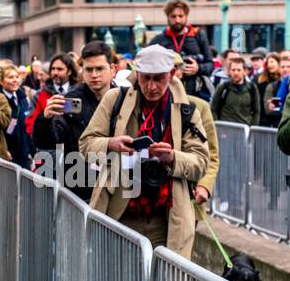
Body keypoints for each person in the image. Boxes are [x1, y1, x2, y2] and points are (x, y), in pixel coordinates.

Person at [79, 44, 210, 257]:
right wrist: (111, 144)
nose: (151, 86)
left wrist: (173, 158)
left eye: (158, 78)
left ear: (172, 74)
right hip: (119, 212)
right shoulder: (115, 100)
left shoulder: (188, 111)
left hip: (165, 218)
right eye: (145, 78)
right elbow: (86, 144)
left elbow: (202, 162)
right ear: (137, 74)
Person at [30, 40, 117, 201]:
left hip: (118, 185)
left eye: (100, 68)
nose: (94, 75)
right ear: (82, 71)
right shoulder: (70, 101)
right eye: (89, 69)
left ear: (112, 70)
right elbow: (47, 142)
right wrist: (46, 118)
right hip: (81, 188)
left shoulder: (125, 99)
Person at [175, 51, 220, 210]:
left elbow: (211, 155)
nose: (170, 75)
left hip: (189, 195)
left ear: (180, 72)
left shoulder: (199, 106)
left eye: (175, 69)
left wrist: (204, 185)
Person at [148, 0, 214, 100]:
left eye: (180, 16)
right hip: (167, 93)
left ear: (186, 16)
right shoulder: (159, 39)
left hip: (195, 91)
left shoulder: (199, 35)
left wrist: (198, 68)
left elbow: (211, 65)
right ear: (168, 17)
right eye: (173, 16)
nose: (177, 20)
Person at [26, 52, 76, 139]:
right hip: (49, 148)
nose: (55, 72)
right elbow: (30, 124)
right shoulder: (40, 94)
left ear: (69, 71)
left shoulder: (79, 92)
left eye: (60, 69)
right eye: (53, 69)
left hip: (75, 147)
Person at [0, 60, 32, 169]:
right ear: (1, 81)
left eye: (17, 77)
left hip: (24, 154)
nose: (15, 80)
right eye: (10, 77)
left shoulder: (23, 98)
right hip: (8, 156)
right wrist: (3, 150)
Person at [210, 53, 260, 126]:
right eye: (233, 70)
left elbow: (256, 111)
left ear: (244, 71)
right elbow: (213, 108)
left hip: (245, 129)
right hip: (226, 129)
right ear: (229, 71)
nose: (236, 73)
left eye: (239, 70)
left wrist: (253, 128)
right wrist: (218, 125)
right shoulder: (223, 87)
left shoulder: (252, 88)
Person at [257, 47, 283, 127]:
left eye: (272, 62)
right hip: (264, 120)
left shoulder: (282, 81)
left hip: (279, 120)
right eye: (268, 62)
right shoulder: (261, 81)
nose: (270, 65)